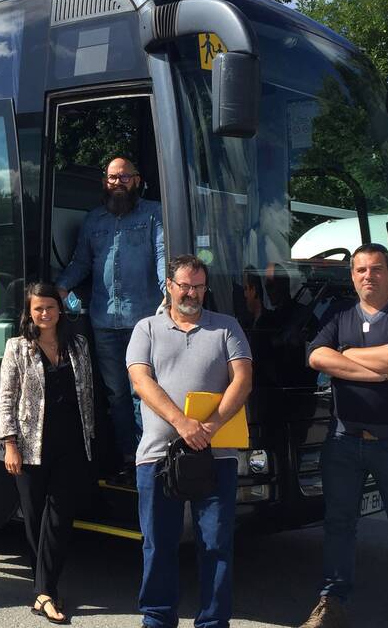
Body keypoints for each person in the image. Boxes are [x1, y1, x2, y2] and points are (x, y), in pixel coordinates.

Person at [301, 243, 388, 628]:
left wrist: (344, 356)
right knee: (339, 524)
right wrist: (376, 369)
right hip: (345, 439)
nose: (367, 276)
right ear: (352, 275)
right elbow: (314, 355)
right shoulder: (341, 313)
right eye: (360, 270)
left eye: (376, 269)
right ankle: (333, 602)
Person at [127, 254, 252, 628]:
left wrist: (209, 427)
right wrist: (182, 423)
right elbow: (141, 381)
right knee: (158, 545)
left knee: (216, 545)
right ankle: (157, 618)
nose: (192, 293)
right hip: (157, 456)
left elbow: (242, 380)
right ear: (170, 285)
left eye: (199, 286)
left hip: (217, 455)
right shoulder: (146, 328)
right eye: (185, 285)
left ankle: (214, 622)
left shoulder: (227, 327)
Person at [56, 156, 165, 476]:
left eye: (124, 177)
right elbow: (80, 263)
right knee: (116, 394)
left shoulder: (153, 214)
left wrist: (169, 294)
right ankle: (130, 459)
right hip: (104, 322)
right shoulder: (94, 221)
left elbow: (162, 257)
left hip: (144, 320)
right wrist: (60, 288)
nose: (117, 183)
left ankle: (150, 458)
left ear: (137, 180)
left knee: (142, 392)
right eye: (112, 178)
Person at [0, 282, 97, 625]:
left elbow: (88, 396)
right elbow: (7, 398)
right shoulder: (17, 348)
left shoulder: (79, 345)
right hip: (29, 447)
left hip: (71, 443)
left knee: (58, 519)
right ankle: (45, 589)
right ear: (29, 312)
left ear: (60, 309)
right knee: (35, 517)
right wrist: (9, 443)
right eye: (37, 309)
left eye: (50, 308)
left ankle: (45, 593)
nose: (44, 314)